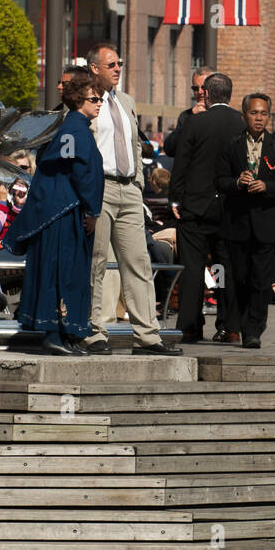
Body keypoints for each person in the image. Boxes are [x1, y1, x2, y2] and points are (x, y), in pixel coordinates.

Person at [2, 74, 105, 356]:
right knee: (63, 272)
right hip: (66, 212)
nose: (99, 104)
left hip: (61, 210)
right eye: (94, 99)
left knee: (65, 272)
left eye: (101, 99)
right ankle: (55, 334)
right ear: (77, 101)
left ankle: (67, 334)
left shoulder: (70, 127)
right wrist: (93, 210)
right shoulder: (76, 129)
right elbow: (84, 174)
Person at [84, 43, 177, 355]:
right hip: (101, 189)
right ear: (94, 68)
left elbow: (136, 145)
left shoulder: (125, 100)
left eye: (119, 63)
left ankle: (148, 336)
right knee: (96, 263)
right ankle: (94, 331)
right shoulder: (87, 101)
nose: (117, 68)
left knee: (138, 262)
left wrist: (137, 183)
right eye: (111, 64)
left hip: (128, 189)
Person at [215, 94, 275, 348]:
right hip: (237, 224)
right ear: (244, 116)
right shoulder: (231, 145)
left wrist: (268, 186)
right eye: (254, 113)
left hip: (266, 225)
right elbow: (219, 181)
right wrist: (236, 182)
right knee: (239, 277)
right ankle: (239, 324)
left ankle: (254, 330)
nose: (259, 118)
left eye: (263, 113)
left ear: (269, 117)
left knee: (260, 280)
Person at [170, 72, 244, 344]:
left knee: (192, 268)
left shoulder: (196, 123)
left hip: (196, 207)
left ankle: (189, 326)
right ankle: (230, 326)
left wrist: (175, 197)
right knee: (225, 269)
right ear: (230, 94)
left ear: (209, 95)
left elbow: (182, 162)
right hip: (229, 208)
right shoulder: (242, 123)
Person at [162, 65, 214, 160]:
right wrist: (190, 118)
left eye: (204, 87)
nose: (200, 92)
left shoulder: (223, 114)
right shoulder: (186, 116)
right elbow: (170, 148)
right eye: (195, 88)